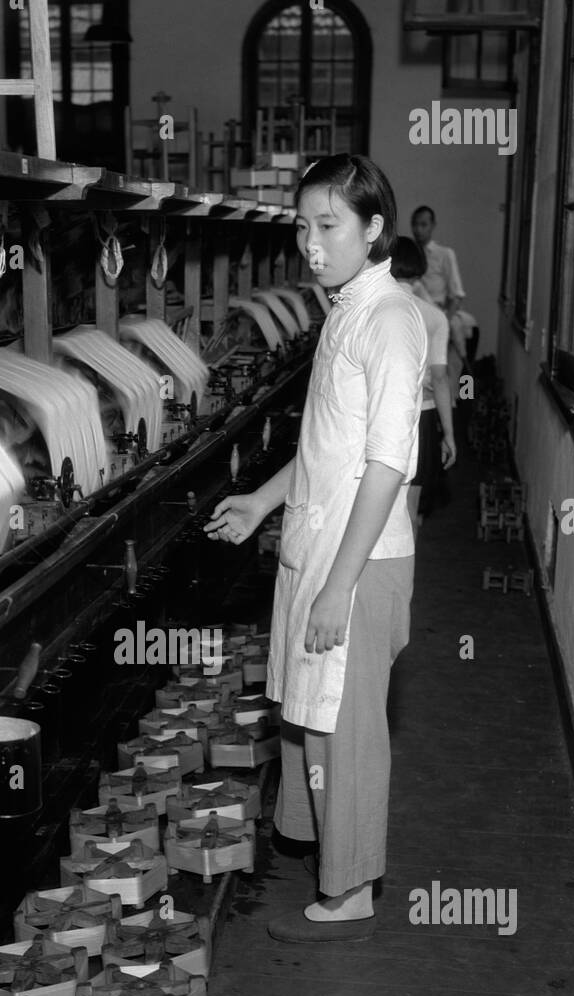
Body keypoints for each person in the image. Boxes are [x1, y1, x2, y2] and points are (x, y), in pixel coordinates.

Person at [205, 154, 426, 943]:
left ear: (374, 231)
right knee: (307, 710)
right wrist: (262, 499)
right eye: (303, 225)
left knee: (346, 724)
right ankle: (311, 842)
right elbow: (329, 445)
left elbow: (387, 463)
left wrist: (341, 585)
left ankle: (351, 890)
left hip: (357, 561)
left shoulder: (392, 320)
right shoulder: (344, 310)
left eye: (327, 226)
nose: (310, 242)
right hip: (321, 543)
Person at [390, 235, 456, 523]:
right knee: (411, 512)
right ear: (420, 269)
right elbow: (440, 380)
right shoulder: (434, 317)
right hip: (422, 419)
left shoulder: (370, 310)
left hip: (379, 416)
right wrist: (449, 435)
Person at [410, 205, 478, 368]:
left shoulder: (444, 254)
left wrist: (444, 322)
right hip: (415, 314)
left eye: (424, 224)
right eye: (415, 224)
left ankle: (467, 382)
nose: (418, 230)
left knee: (450, 369)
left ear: (433, 225)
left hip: (439, 313)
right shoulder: (408, 253)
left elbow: (457, 294)